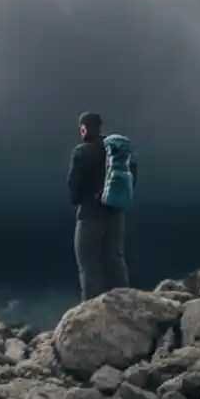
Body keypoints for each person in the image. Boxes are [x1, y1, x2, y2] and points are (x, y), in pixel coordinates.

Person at [67, 111, 137, 301]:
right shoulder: (116, 150)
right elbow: (133, 176)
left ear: (84, 128)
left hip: (90, 213)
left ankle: (92, 305)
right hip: (115, 212)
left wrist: (81, 199)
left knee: (88, 262)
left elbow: (73, 185)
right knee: (115, 257)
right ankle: (124, 301)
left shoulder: (82, 152)